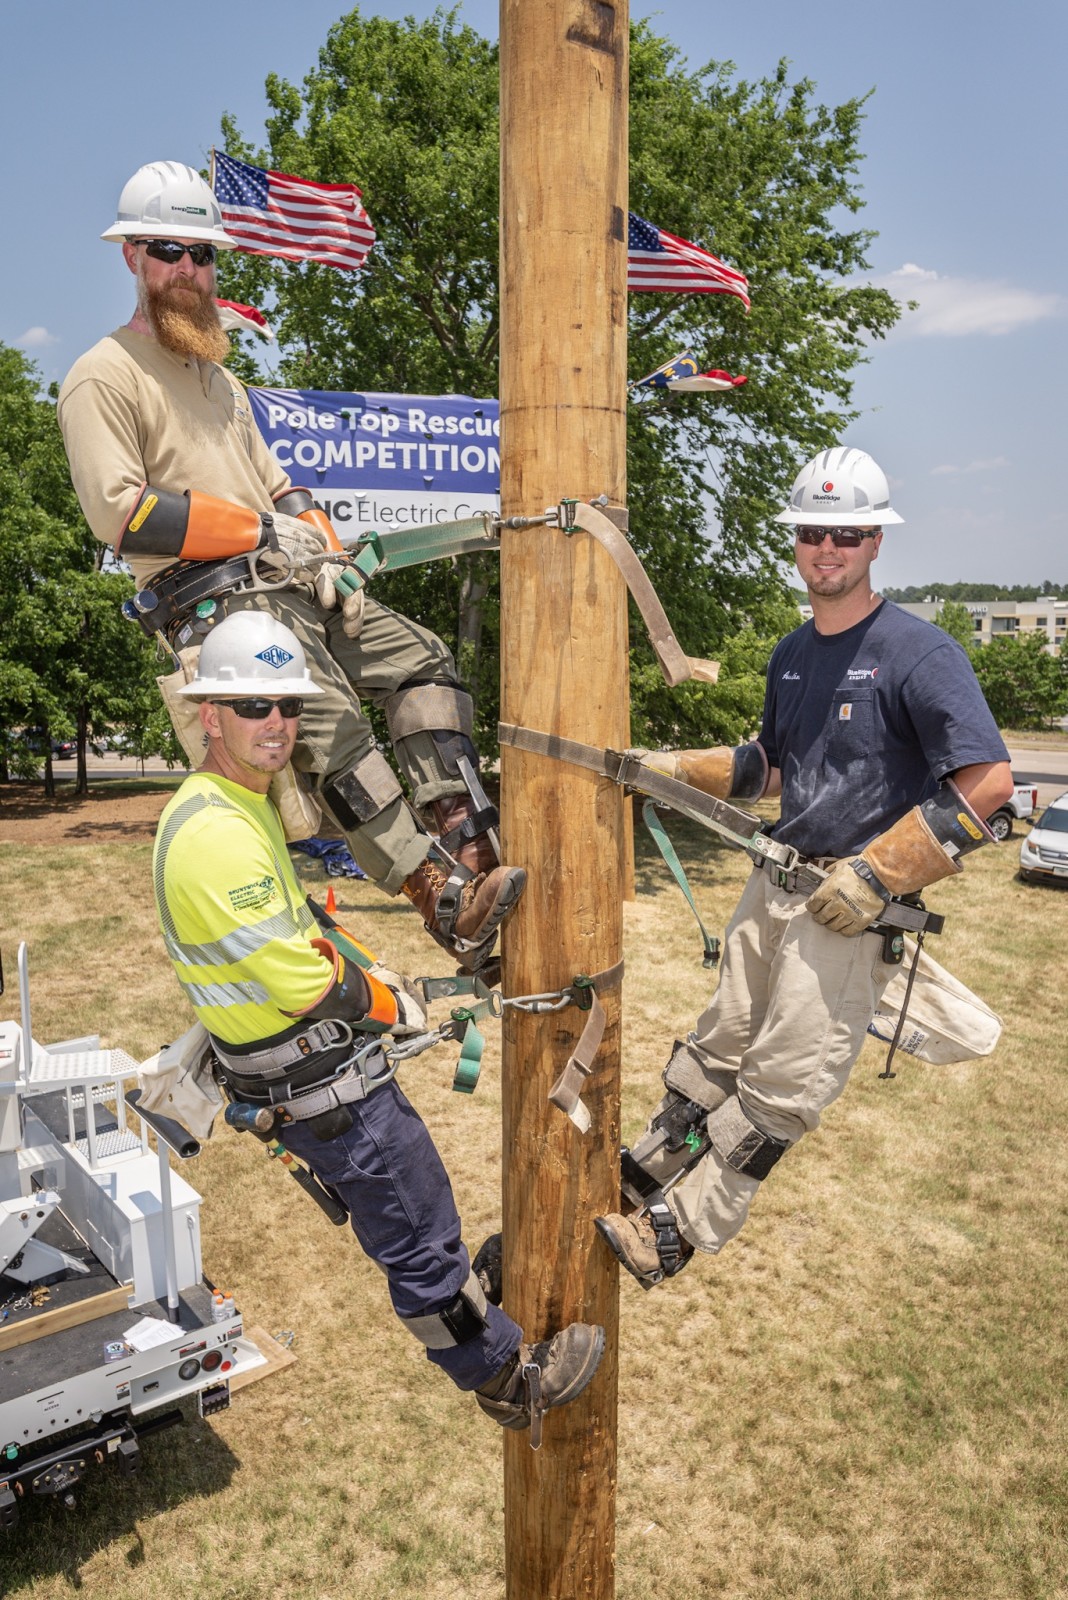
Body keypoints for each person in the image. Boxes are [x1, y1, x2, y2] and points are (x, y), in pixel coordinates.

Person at [58, 160, 522, 972]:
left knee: (423, 662)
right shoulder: (102, 376)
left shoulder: (221, 377)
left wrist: (323, 545)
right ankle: (443, 903)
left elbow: (285, 485)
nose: (189, 271)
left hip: (294, 582)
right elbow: (124, 513)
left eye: (202, 255)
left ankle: (474, 852)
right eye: (170, 250)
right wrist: (261, 531)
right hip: (215, 605)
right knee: (336, 729)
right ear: (131, 255)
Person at [151, 610, 604, 1434]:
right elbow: (301, 984)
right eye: (255, 708)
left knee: (422, 1214)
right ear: (208, 713)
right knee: (416, 1233)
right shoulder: (217, 831)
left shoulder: (235, 804)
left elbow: (299, 932)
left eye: (288, 706)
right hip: (323, 1088)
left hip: (305, 1076)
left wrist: (371, 973)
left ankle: (475, 1306)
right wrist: (392, 1004)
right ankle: (507, 1380)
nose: (278, 725)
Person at [595, 446, 1014, 1288]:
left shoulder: (916, 651)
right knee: (718, 1047)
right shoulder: (794, 651)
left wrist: (879, 874)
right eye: (814, 532)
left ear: (874, 544)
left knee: (783, 1080)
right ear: (797, 541)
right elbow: (776, 767)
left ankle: (675, 1230)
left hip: (849, 908)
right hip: (776, 881)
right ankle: (644, 1169)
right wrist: (678, 768)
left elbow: (990, 782)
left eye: (847, 534)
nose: (829, 549)